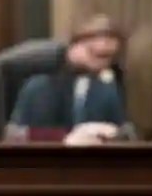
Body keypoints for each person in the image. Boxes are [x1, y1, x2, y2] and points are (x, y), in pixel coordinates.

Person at [7, 14, 129, 142]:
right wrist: (65, 137)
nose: (104, 45)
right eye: (91, 47)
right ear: (74, 45)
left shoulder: (106, 90)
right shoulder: (38, 87)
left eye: (106, 57)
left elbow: (126, 135)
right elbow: (14, 136)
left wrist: (107, 135)